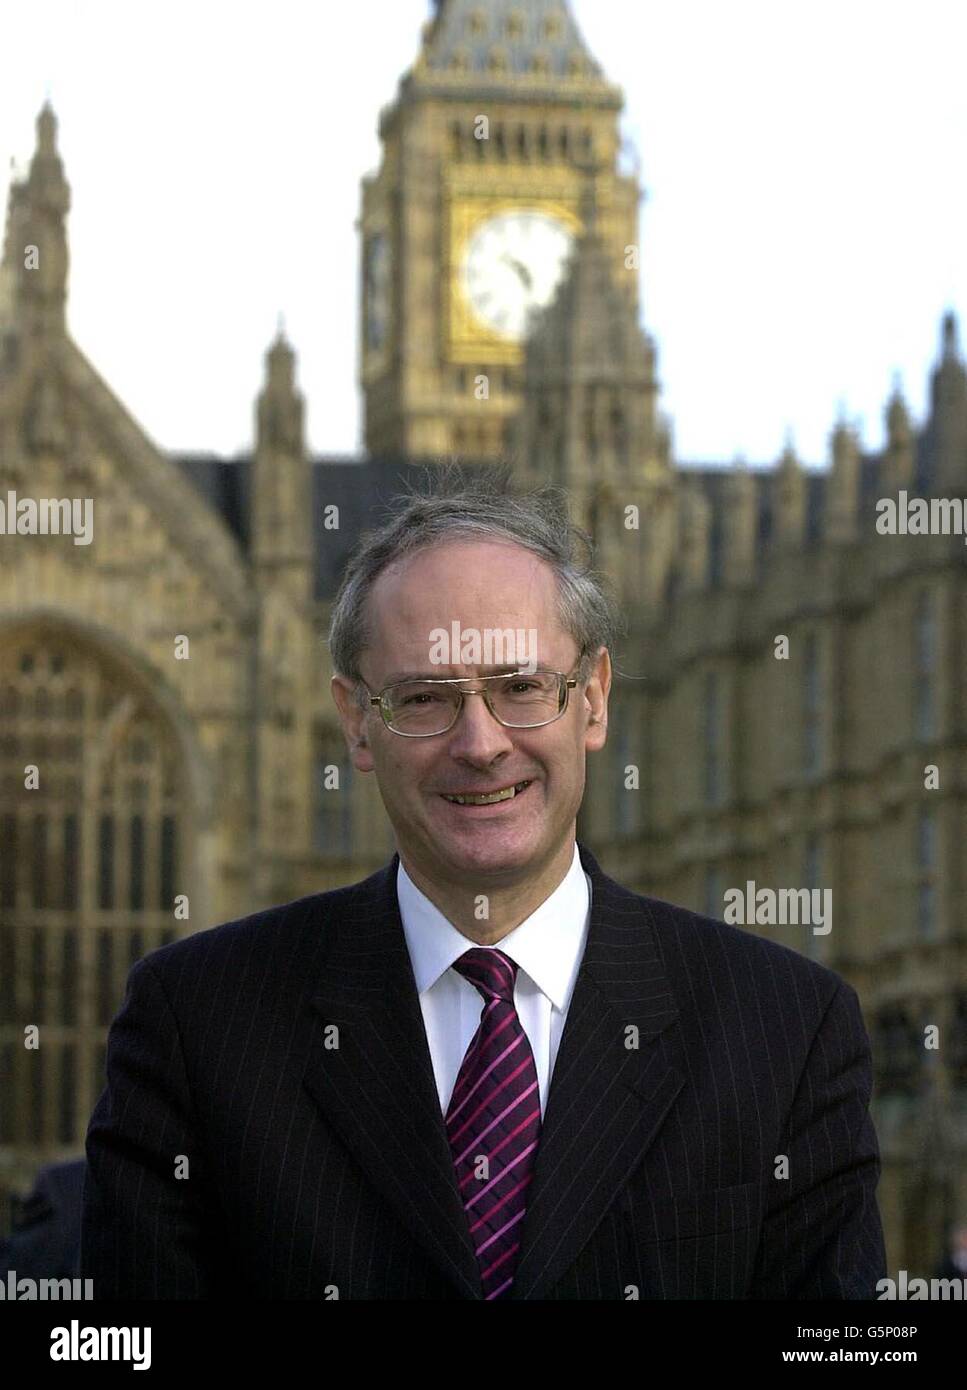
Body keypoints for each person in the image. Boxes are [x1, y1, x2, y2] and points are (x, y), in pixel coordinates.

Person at [81, 472, 887, 1299]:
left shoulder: (786, 1032)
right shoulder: (195, 1025)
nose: (482, 743)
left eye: (521, 688)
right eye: (424, 697)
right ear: (356, 721)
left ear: (595, 699)